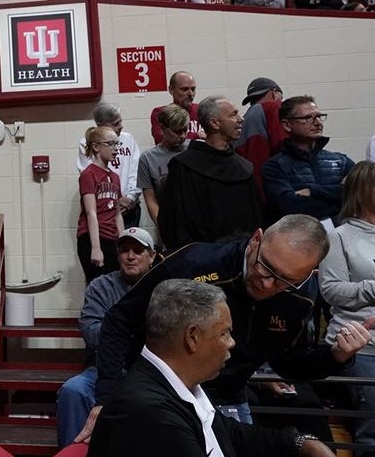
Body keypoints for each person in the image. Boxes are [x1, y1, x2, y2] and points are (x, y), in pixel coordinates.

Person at [76, 214, 371, 444]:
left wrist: (336, 356)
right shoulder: (195, 263)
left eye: (285, 280)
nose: (267, 284)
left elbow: (287, 362)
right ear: (256, 239)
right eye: (265, 267)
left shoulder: (301, 297)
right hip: (160, 391)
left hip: (228, 396)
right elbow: (118, 321)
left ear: (309, 274)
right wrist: (107, 396)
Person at [88, 279, 335, 457]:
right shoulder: (147, 414)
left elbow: (228, 433)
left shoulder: (177, 387)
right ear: (192, 337)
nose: (232, 343)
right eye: (224, 333)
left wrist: (299, 443)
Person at [56, 227, 156, 447]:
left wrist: (119, 335)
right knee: (73, 390)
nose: (130, 256)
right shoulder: (100, 287)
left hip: (149, 371)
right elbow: (91, 333)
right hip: (104, 368)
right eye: (124, 250)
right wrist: (135, 336)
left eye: (138, 250)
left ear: (152, 256)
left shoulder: (162, 287)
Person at [158, 95, 263, 250]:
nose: (241, 119)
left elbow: (256, 219)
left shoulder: (244, 167)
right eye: (233, 114)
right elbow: (174, 222)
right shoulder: (184, 167)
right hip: (200, 260)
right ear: (214, 123)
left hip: (242, 255)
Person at [319, 161, 375, 451]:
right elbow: (330, 290)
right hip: (362, 349)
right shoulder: (339, 236)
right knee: (370, 432)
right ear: (364, 191)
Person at [262, 96, 354, 221]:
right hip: (302, 236)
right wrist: (341, 202)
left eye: (319, 116)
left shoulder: (340, 161)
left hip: (342, 235)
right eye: (308, 118)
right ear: (287, 125)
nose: (317, 123)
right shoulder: (275, 166)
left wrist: (313, 191)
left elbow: (361, 194)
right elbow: (289, 206)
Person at [76, 104, 142, 229]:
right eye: (115, 123)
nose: (121, 126)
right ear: (101, 125)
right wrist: (116, 200)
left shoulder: (128, 139)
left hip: (130, 206)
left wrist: (130, 197)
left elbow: (136, 171)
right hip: (103, 209)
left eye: (120, 121)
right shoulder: (86, 143)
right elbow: (90, 177)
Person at [76, 126, 126, 283]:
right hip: (93, 237)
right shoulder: (88, 174)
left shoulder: (115, 177)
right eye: (111, 144)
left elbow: (117, 213)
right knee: (99, 285)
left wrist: (124, 241)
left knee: (115, 285)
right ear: (96, 147)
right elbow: (91, 213)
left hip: (112, 239)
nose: (116, 149)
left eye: (117, 144)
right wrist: (96, 248)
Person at [137, 104, 189, 236]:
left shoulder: (195, 149)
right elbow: (151, 201)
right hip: (170, 223)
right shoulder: (148, 158)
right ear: (163, 129)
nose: (183, 136)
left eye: (185, 130)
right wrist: (163, 228)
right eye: (177, 132)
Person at [234, 77, 286, 197]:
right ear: (274, 93)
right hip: (274, 190)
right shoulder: (274, 107)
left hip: (249, 191)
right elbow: (283, 148)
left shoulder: (243, 120)